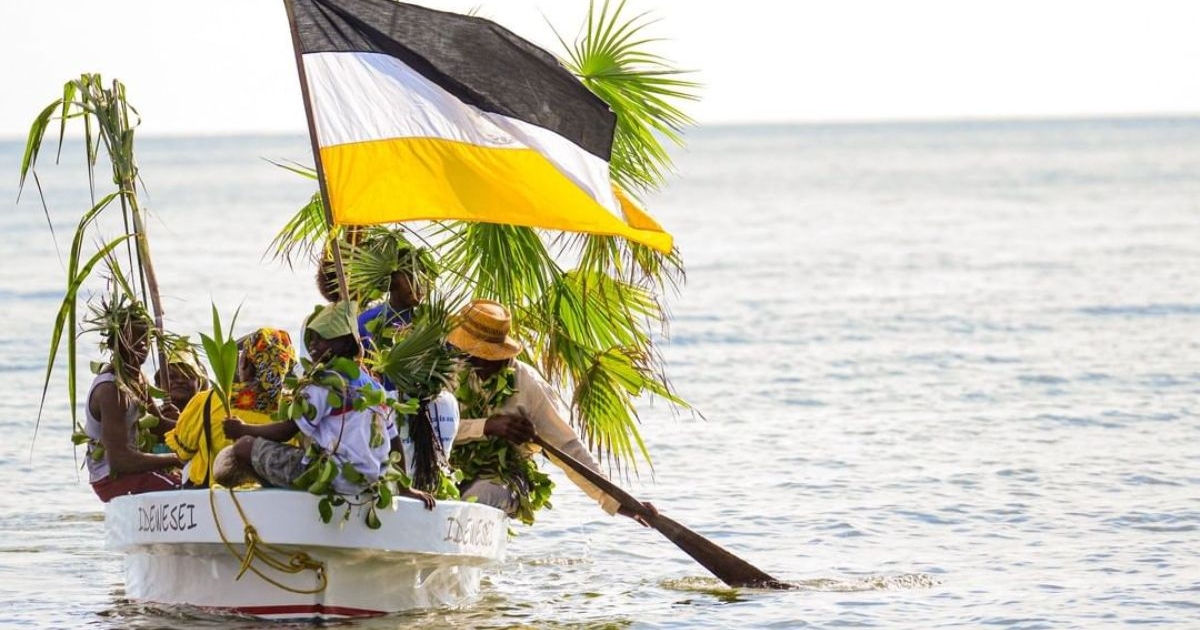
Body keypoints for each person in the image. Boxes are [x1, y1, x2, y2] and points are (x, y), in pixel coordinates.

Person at [448, 299, 653, 526]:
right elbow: (431, 429)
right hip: (450, 472)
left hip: (503, 480)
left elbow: (567, 449)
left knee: (479, 495)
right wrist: (485, 426)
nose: (475, 360)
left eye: (485, 355)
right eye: (469, 352)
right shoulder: (449, 372)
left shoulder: (529, 387)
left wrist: (618, 502)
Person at [219, 302, 434, 508]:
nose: (312, 345)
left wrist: (242, 429)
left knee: (243, 447)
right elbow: (394, 441)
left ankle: (284, 502)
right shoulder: (374, 386)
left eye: (321, 339)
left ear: (345, 344)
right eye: (312, 338)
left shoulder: (322, 384)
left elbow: (286, 431)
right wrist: (405, 488)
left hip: (333, 478)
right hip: (370, 481)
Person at [164, 328, 296, 488]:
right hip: (278, 498)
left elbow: (183, 454)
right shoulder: (295, 405)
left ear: (245, 363)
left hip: (213, 499)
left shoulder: (206, 400)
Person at [84, 299, 182, 502]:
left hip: (132, 470)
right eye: (133, 337)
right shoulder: (111, 390)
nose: (143, 344)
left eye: (145, 337)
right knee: (186, 490)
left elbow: (158, 425)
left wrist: (198, 430)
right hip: (112, 478)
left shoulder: (137, 377)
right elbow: (120, 460)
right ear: (113, 343)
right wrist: (177, 459)